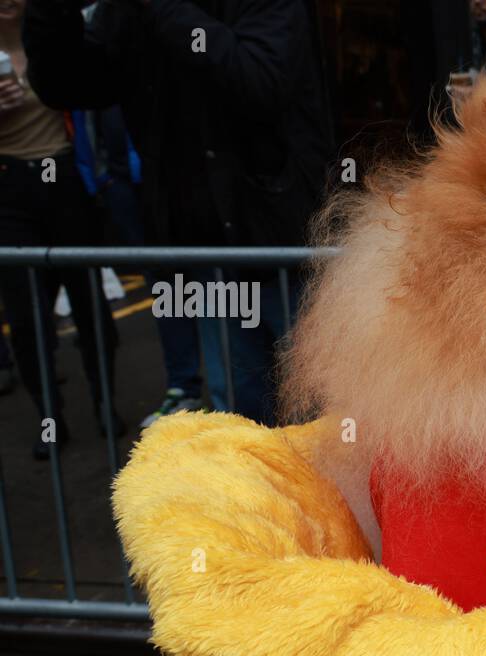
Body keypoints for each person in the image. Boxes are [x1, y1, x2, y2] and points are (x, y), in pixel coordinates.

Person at [23, 0, 334, 426]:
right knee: (241, 422)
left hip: (285, 241)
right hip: (206, 247)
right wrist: (51, 12)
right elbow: (68, 83)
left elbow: (260, 79)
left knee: (320, 411)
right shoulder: (130, 14)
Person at [0, 0, 122, 460]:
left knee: (91, 304)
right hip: (10, 188)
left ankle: (104, 404)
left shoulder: (53, 38)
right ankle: (50, 419)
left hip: (67, 177)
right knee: (28, 317)